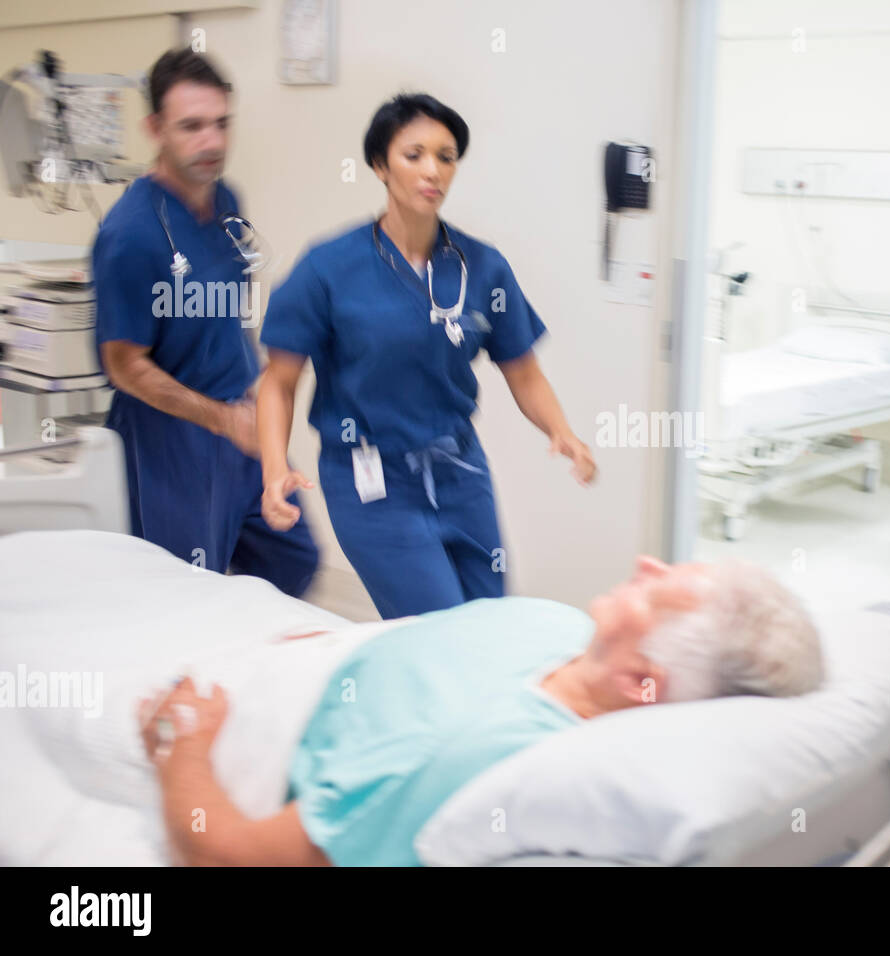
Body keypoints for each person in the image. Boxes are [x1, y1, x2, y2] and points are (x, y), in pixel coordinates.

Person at [136, 557, 825, 866]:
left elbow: (230, 854)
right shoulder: (557, 628)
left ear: (643, 682)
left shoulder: (460, 758)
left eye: (659, 588)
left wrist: (183, 743)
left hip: (212, 701)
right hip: (293, 644)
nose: (644, 561)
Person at [258, 93, 595, 619]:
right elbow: (278, 382)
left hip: (461, 470)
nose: (432, 170)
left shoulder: (483, 267)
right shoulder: (329, 267)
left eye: (446, 155)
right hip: (371, 477)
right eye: (413, 154)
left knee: (490, 621)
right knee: (438, 628)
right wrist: (274, 467)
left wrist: (561, 430)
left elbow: (524, 371)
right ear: (379, 165)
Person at [92, 48, 318, 597]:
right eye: (191, 127)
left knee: (293, 560)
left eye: (221, 124)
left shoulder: (226, 202)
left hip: (240, 419)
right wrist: (221, 420)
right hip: (169, 439)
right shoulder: (129, 236)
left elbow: (226, 310)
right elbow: (124, 368)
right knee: (184, 593)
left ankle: (246, 674)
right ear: (155, 129)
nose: (212, 142)